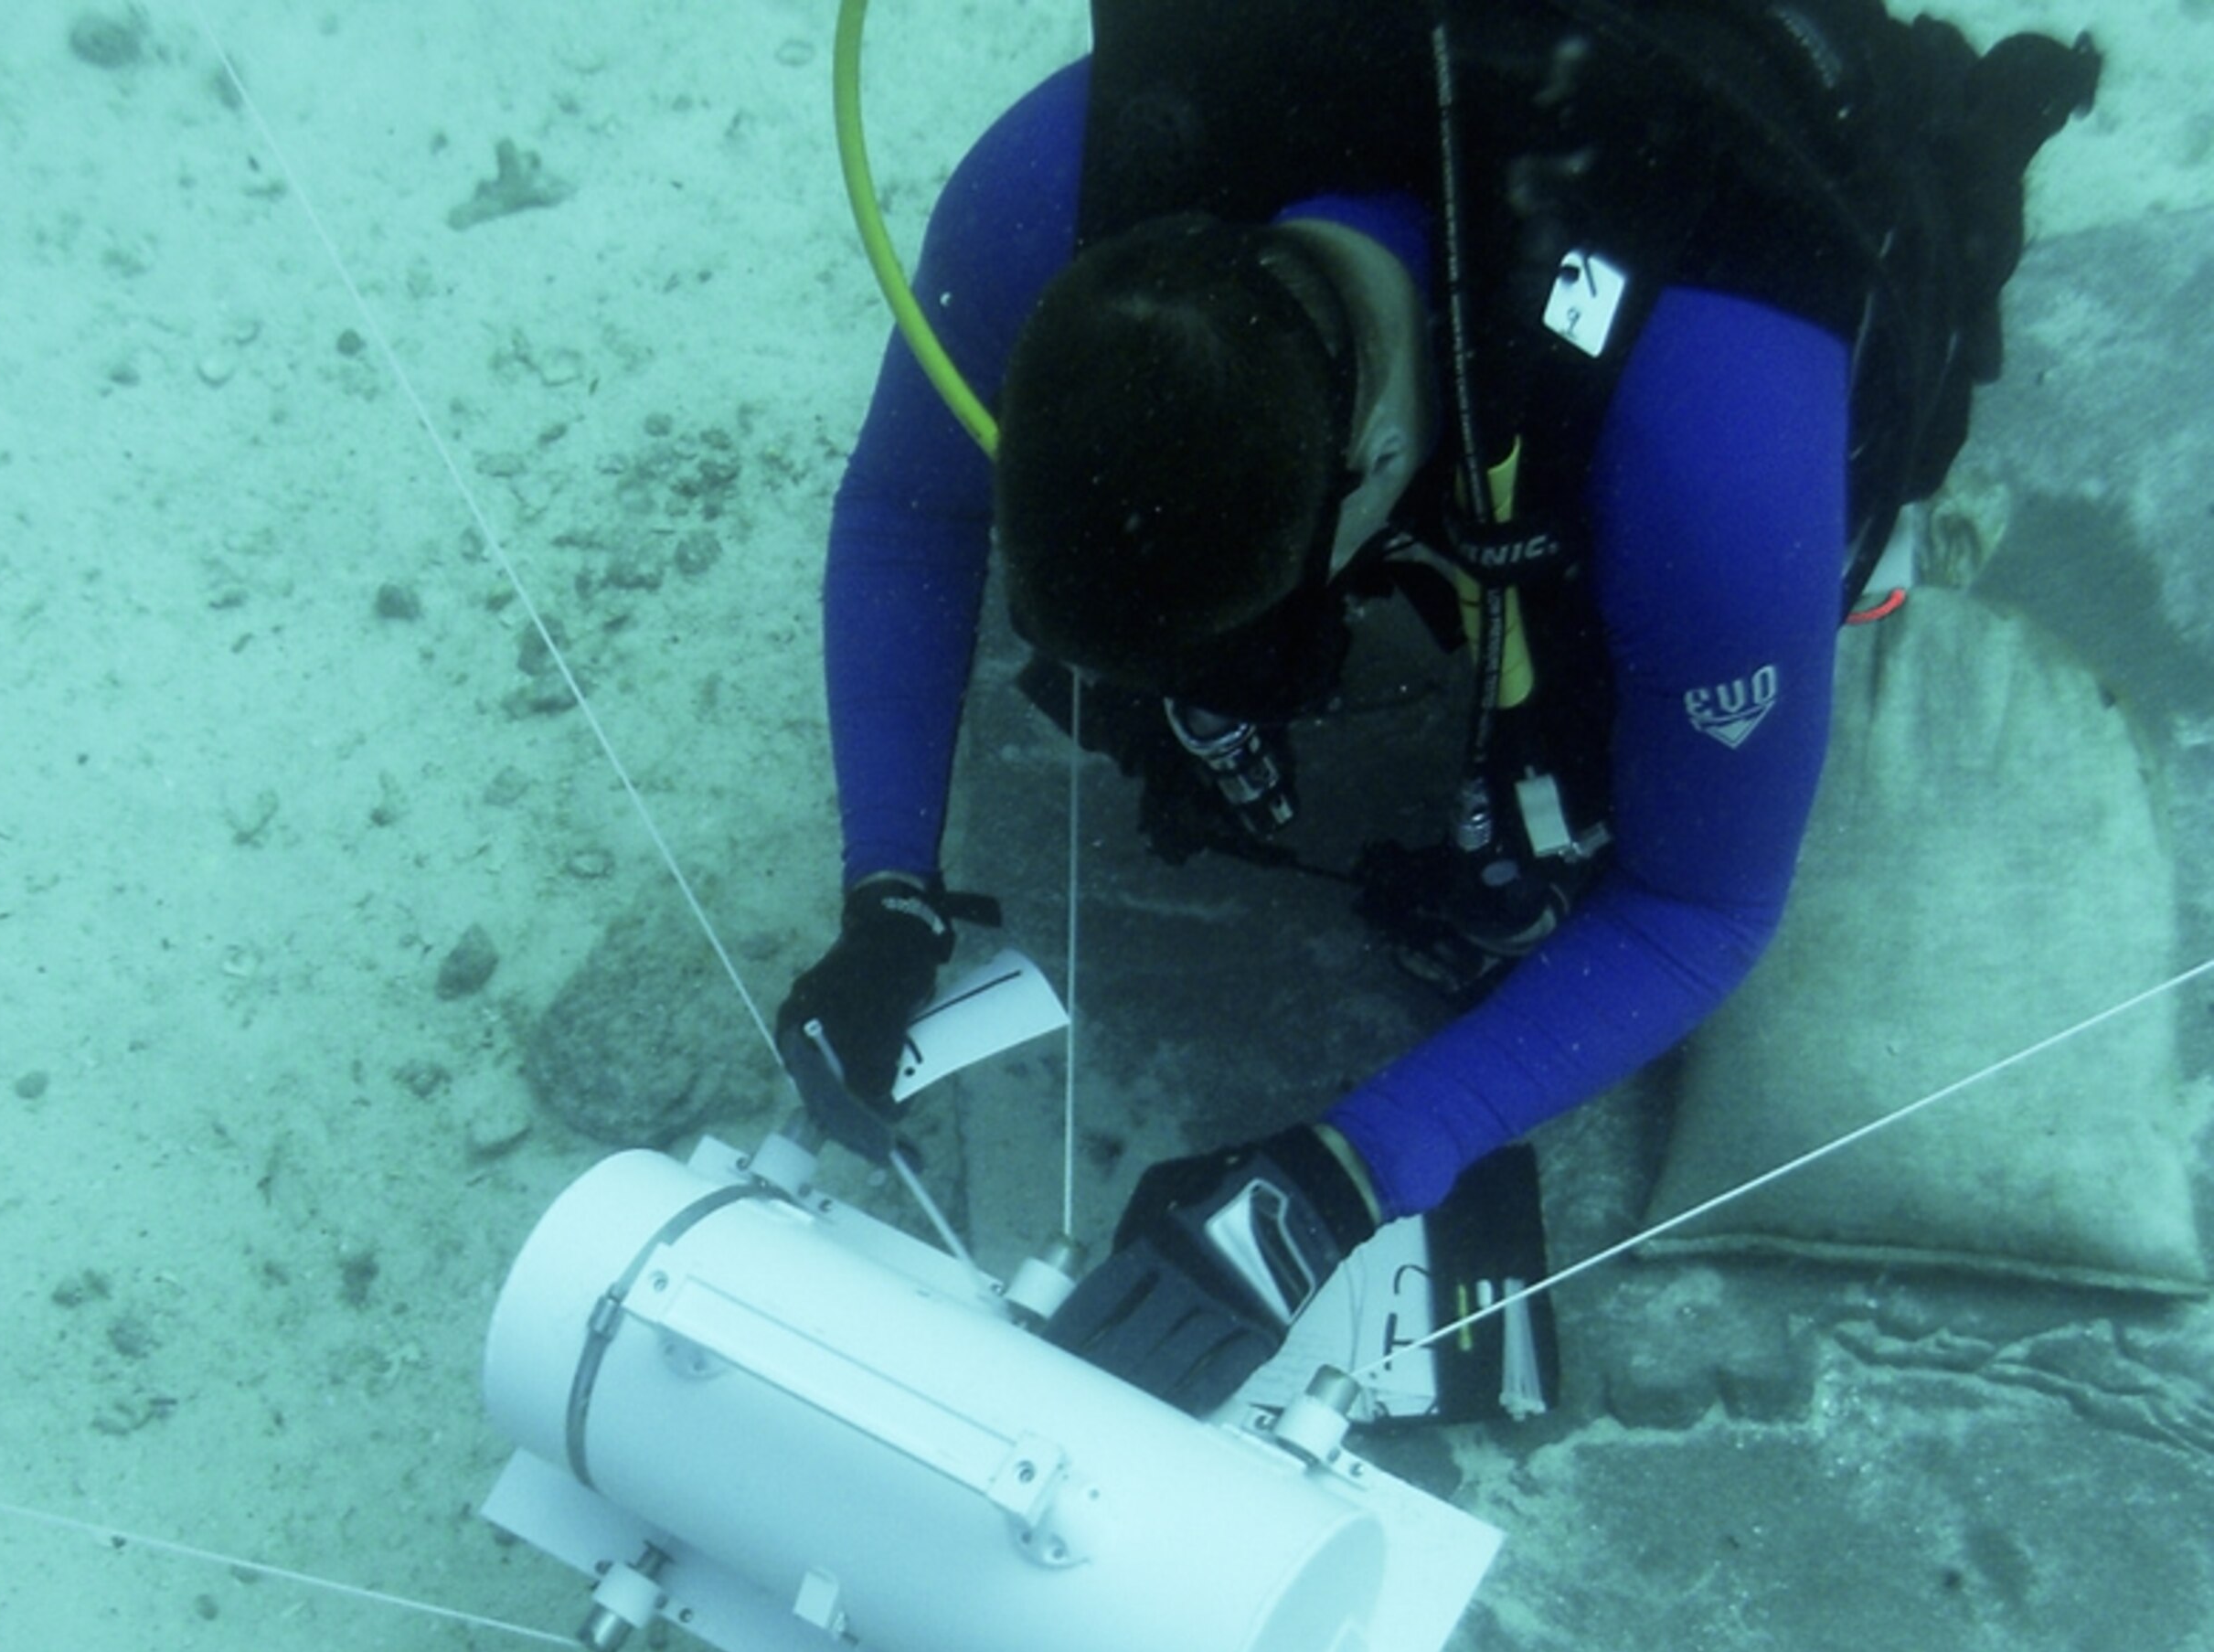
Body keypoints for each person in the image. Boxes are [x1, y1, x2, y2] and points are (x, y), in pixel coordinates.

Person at [780, 0, 2097, 1412]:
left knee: (1635, 739)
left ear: (1372, 477)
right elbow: (907, 511)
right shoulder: (1053, 192)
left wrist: (1349, 1173)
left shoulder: (1707, 474)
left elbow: (1701, 908)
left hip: (1725, 155)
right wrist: (886, 893)